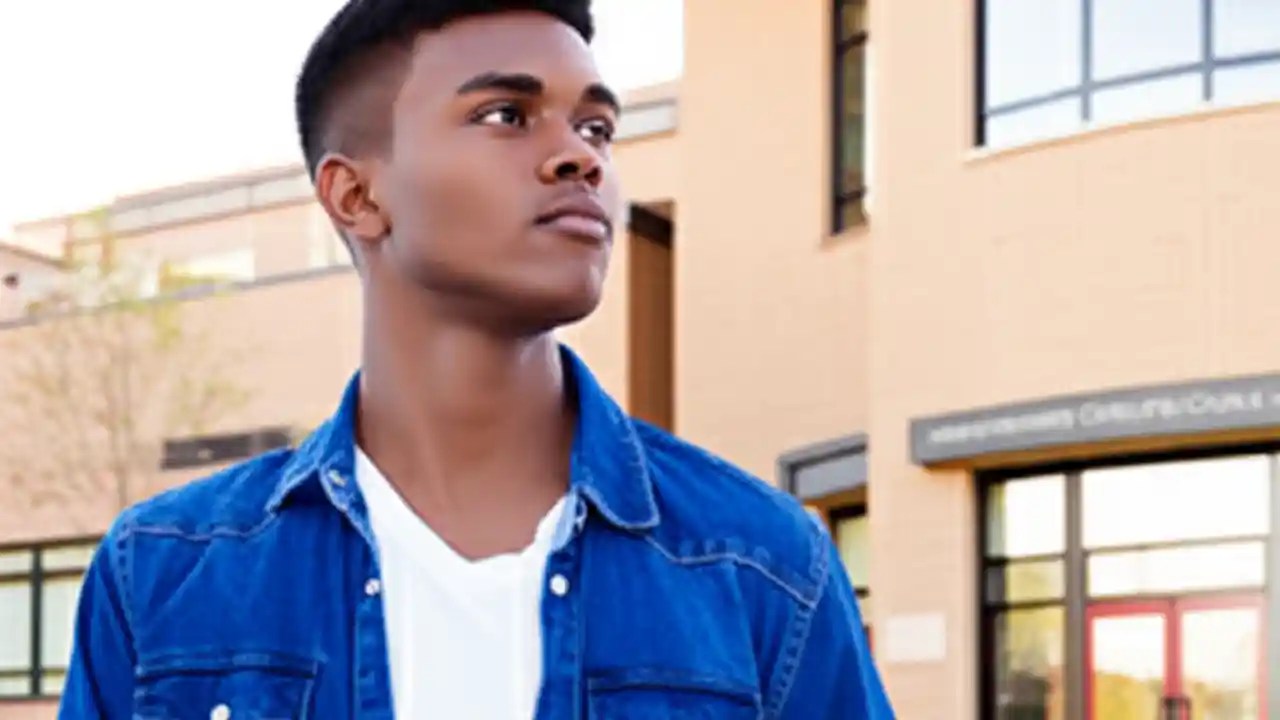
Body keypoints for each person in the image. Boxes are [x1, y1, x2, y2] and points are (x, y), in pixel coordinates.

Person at [59, 1, 894, 717]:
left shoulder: (762, 565)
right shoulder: (166, 575)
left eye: (597, 126)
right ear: (356, 196)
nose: (582, 156)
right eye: (507, 115)